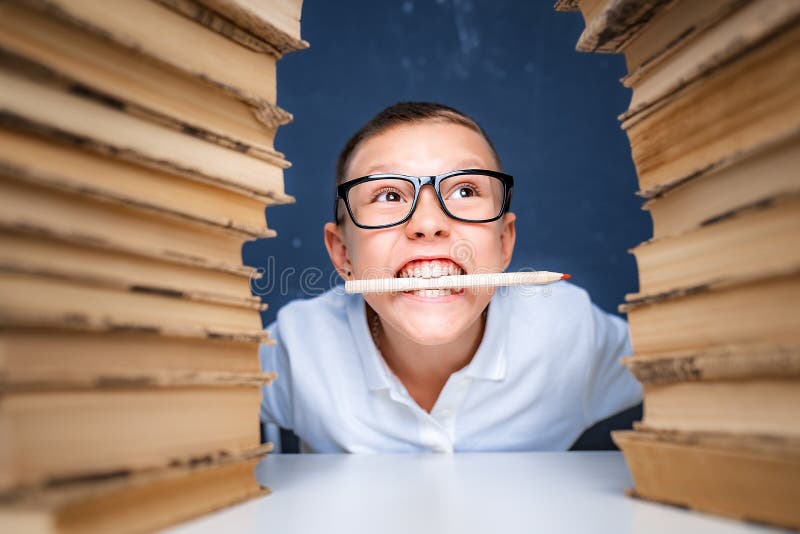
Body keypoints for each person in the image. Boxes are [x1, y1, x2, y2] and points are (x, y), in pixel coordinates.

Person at [259, 101, 641, 453]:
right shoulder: (296, 346)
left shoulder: (569, 329)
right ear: (343, 254)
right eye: (389, 195)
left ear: (504, 242)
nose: (428, 223)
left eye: (464, 189)